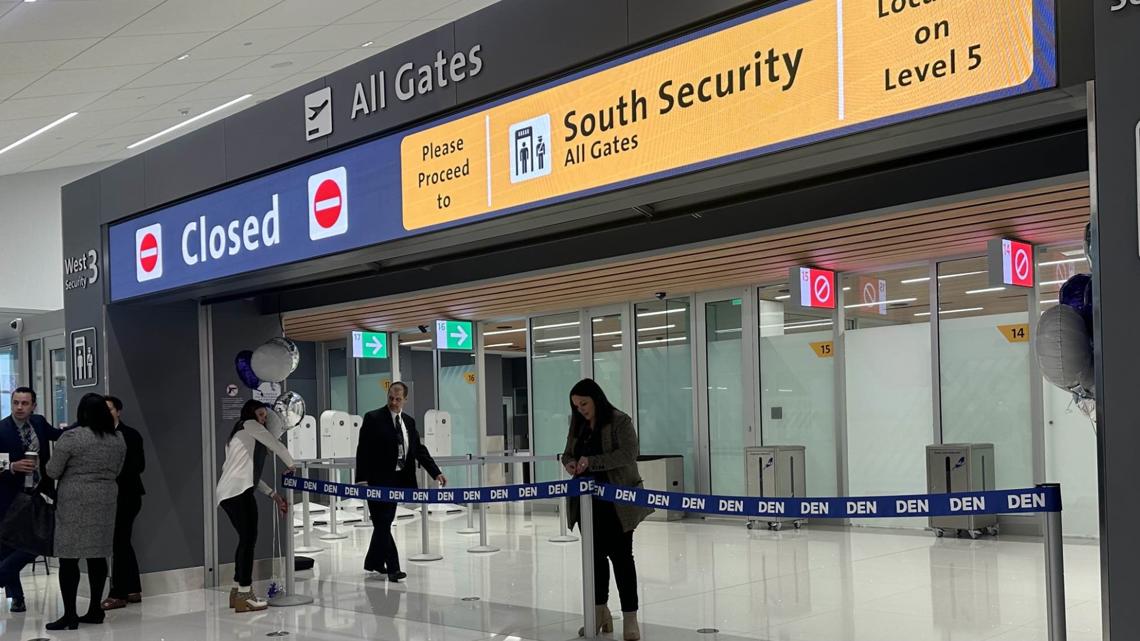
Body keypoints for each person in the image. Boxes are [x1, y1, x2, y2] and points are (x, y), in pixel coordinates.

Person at [562, 379, 652, 641]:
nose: (580, 409)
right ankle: (599, 612)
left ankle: (630, 618)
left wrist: (593, 462)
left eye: (584, 404)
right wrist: (569, 463)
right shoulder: (577, 424)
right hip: (586, 504)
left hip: (617, 503)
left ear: (596, 399)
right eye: (576, 405)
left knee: (622, 559)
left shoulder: (620, 421)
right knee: (594, 559)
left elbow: (628, 454)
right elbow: (567, 452)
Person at [44, 392, 126, 631]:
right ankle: (95, 610)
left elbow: (52, 470)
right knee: (98, 555)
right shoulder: (118, 438)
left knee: (69, 558)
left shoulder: (72, 437)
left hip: (74, 502)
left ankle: (70, 614)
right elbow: (118, 469)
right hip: (106, 499)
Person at [355, 382, 446, 583]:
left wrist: (435, 472)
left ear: (405, 399)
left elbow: (418, 450)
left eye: (398, 399)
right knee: (383, 522)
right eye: (391, 398)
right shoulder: (373, 418)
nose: (394, 402)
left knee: (383, 523)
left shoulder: (409, 422)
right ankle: (393, 568)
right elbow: (363, 450)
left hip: (397, 480)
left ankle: (373, 562)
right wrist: (362, 480)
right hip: (377, 481)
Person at [216, 400, 294, 613]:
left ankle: (236, 591)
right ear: (251, 413)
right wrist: (293, 465)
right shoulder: (250, 425)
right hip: (239, 493)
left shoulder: (235, 436)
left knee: (245, 540)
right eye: (261, 414)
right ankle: (244, 594)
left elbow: (247, 474)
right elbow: (275, 444)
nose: (264, 419)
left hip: (228, 493)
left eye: (264, 416)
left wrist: (273, 494)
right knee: (248, 541)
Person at [0, 387, 61, 614]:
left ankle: (2, 574)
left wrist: (84, 423)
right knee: (8, 544)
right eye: (16, 402)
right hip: (9, 496)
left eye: (25, 403)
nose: (19, 407)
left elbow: (58, 435)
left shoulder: (39, 423)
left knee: (40, 540)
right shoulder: (2, 429)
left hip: (39, 494)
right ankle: (17, 596)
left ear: (33, 405)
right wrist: (12, 466)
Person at [101, 396, 145, 610]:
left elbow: (139, 465)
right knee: (123, 541)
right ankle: (133, 588)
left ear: (118, 411)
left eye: (109, 409)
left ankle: (118, 593)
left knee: (119, 541)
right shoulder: (99, 435)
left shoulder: (130, 435)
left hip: (128, 495)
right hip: (110, 496)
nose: (106, 413)